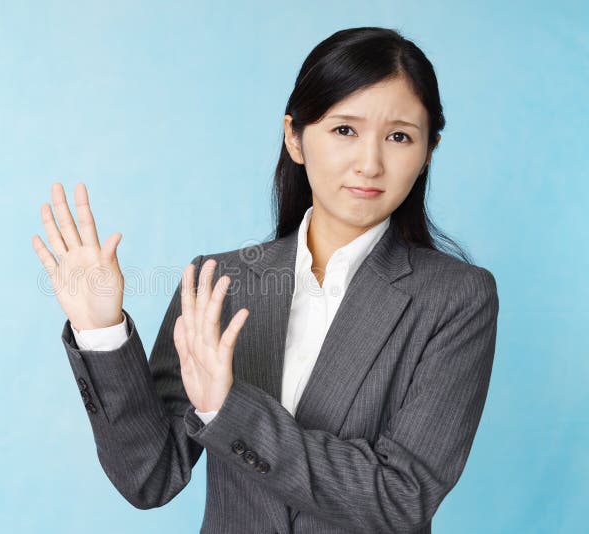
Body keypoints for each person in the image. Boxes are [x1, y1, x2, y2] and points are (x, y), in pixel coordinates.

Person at [31, 26, 499, 534]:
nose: (370, 162)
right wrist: (101, 332)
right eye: (344, 130)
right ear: (294, 137)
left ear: (428, 150)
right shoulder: (218, 281)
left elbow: (400, 500)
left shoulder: (455, 298)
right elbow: (150, 478)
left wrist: (228, 409)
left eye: (400, 136)